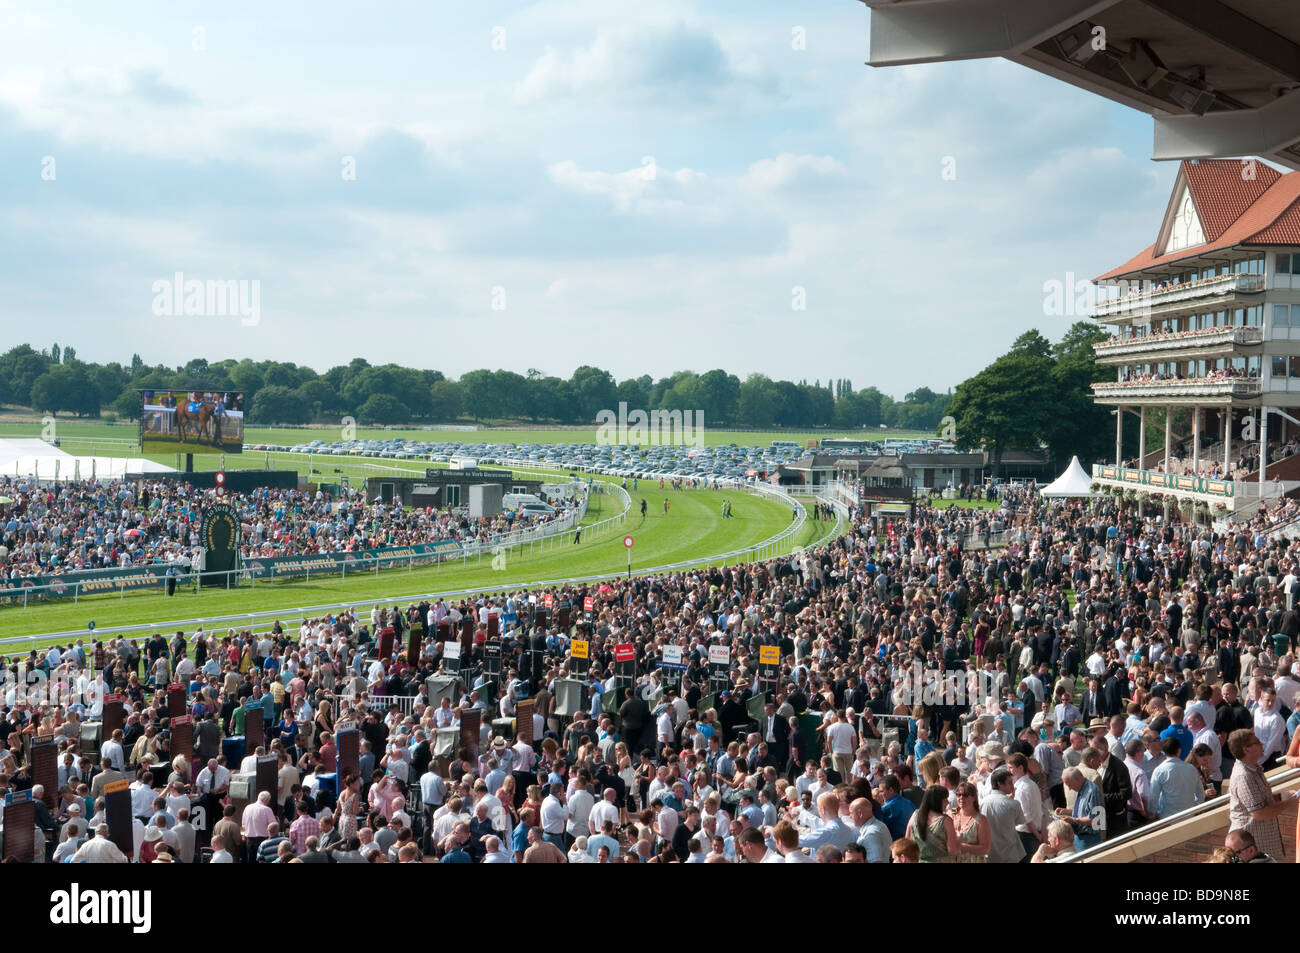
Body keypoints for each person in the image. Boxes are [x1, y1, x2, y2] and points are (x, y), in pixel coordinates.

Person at [1227, 728, 1292, 860]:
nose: (1261, 743)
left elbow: (1261, 800)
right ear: (1246, 749)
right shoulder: (1244, 776)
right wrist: (1289, 803)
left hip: (1263, 843)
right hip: (1253, 848)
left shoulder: (1254, 769)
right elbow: (1259, 813)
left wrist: (1281, 797)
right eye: (1256, 742)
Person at [905, 785, 958, 863]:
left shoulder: (915, 815)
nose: (948, 802)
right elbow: (952, 851)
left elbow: (907, 841)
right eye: (945, 799)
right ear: (937, 801)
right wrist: (959, 840)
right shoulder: (946, 821)